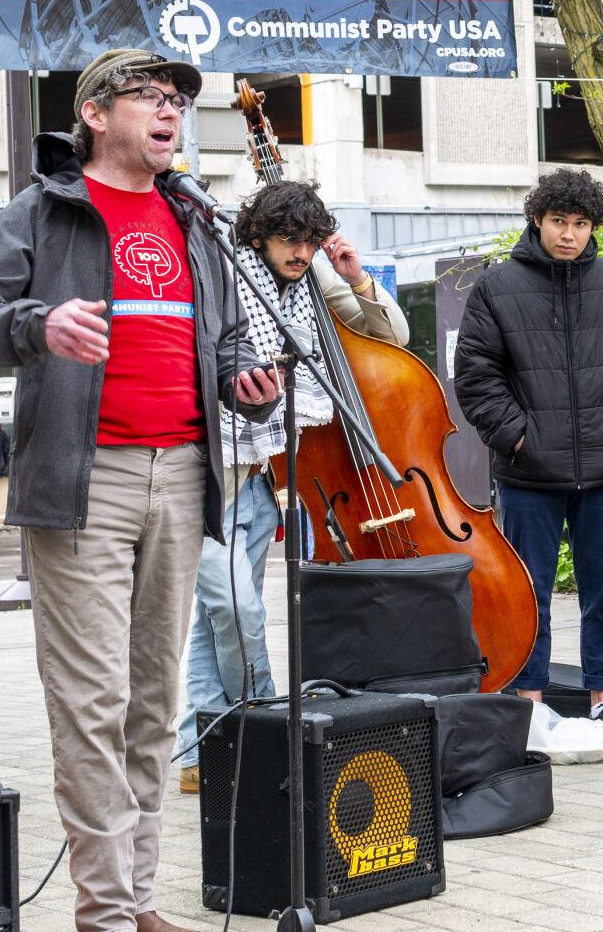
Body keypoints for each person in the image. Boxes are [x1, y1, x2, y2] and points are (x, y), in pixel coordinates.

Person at [0, 46, 280, 932]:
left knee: (154, 703)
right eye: (152, 97)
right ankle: (103, 914)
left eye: (178, 101)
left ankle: (136, 898)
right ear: (95, 113)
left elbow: (228, 333)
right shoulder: (47, 211)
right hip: (86, 482)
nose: (171, 113)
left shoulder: (194, 217)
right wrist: (37, 322)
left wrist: (244, 374)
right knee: (93, 705)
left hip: (186, 475)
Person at [175, 179, 410, 794]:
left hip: (259, 474)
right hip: (201, 471)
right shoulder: (222, 267)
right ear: (258, 236)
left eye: (308, 241)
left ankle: (197, 750)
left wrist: (356, 277)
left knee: (214, 619)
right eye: (289, 240)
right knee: (234, 606)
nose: (300, 253)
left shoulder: (310, 280)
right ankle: (266, 722)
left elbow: (394, 336)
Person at [454, 168, 603, 750]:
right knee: (526, 593)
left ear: (593, 226)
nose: (569, 234)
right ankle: (530, 707)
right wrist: (516, 436)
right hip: (528, 475)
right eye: (558, 222)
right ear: (537, 220)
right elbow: (475, 374)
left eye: (580, 223)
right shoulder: (497, 287)